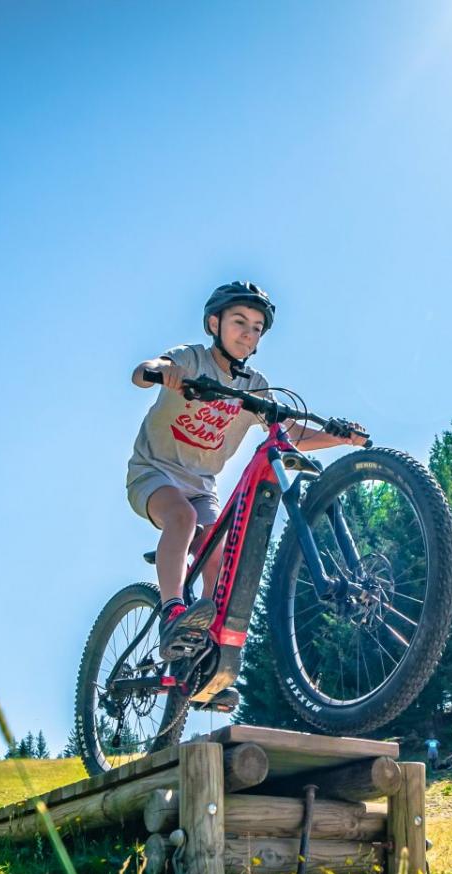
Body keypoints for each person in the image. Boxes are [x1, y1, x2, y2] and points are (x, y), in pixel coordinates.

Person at [129, 281, 364, 707]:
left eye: (257, 328)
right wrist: (162, 373)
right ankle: (172, 613)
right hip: (154, 472)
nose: (248, 334)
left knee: (218, 556)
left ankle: (199, 654)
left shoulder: (254, 386)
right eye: (240, 323)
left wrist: (338, 439)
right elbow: (144, 370)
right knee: (180, 519)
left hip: (202, 485)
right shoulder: (191, 358)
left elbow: (290, 432)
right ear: (214, 323)